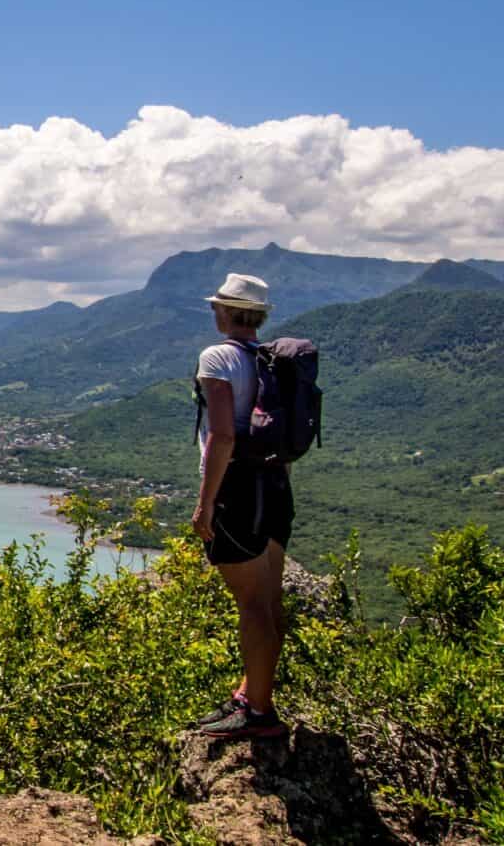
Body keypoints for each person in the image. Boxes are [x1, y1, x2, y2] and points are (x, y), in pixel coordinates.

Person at [192, 273, 293, 739]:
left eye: (218, 307)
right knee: (270, 602)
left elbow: (223, 434)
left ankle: (258, 711)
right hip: (274, 487)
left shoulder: (218, 357)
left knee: (251, 605)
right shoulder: (271, 359)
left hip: (236, 491)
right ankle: (252, 694)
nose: (215, 313)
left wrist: (206, 504)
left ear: (228, 312)